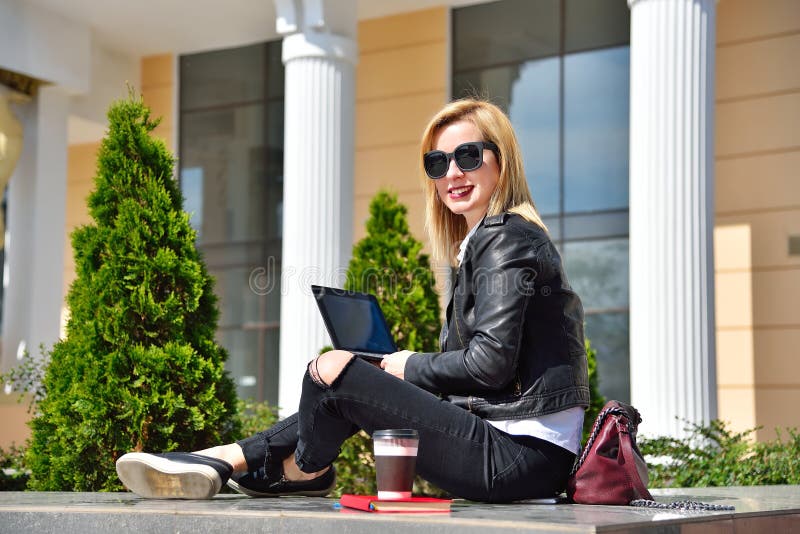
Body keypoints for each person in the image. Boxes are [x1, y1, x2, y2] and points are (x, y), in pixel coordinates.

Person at [116, 98, 590, 503]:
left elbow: (490, 365)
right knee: (341, 375)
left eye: (467, 156)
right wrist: (391, 374)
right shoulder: (491, 243)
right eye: (436, 162)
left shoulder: (505, 238)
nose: (452, 173)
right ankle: (229, 459)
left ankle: (294, 470)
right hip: (516, 450)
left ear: (500, 161)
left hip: (519, 456)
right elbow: (481, 372)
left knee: (332, 371)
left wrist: (408, 367)